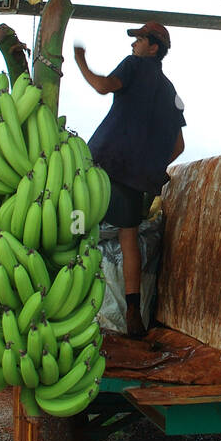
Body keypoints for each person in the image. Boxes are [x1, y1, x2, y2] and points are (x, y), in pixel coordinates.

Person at [74, 21, 185, 337]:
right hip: (137, 178)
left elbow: (102, 85)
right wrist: (152, 166)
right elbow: (179, 146)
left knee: (77, 226)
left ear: (154, 48)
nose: (133, 45)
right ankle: (133, 311)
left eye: (139, 40)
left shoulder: (136, 64)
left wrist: (80, 60)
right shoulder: (170, 91)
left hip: (105, 165)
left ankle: (72, 297)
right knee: (128, 238)